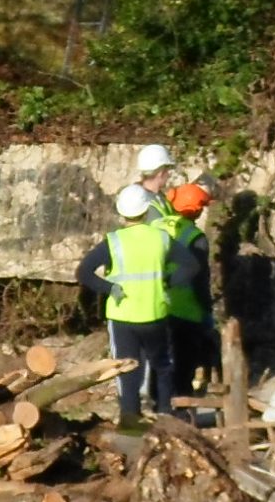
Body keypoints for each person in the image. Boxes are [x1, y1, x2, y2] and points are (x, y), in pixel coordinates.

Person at [78, 183, 205, 428]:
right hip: (154, 313)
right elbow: (191, 266)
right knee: (162, 366)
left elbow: (84, 272)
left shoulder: (114, 242)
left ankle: (130, 420)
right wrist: (166, 282)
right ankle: (165, 415)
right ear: (147, 210)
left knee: (126, 369)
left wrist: (109, 288)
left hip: (122, 316)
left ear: (121, 211)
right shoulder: (161, 238)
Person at [156, 181, 220, 400]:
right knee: (185, 362)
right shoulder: (194, 236)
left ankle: (158, 403)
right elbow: (199, 278)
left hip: (155, 304)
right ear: (197, 210)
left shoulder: (156, 226)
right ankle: (181, 404)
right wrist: (206, 311)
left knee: (160, 360)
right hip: (186, 307)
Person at [133, 142, 177, 216]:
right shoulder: (142, 202)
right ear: (160, 172)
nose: (169, 174)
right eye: (167, 169)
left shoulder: (157, 197)